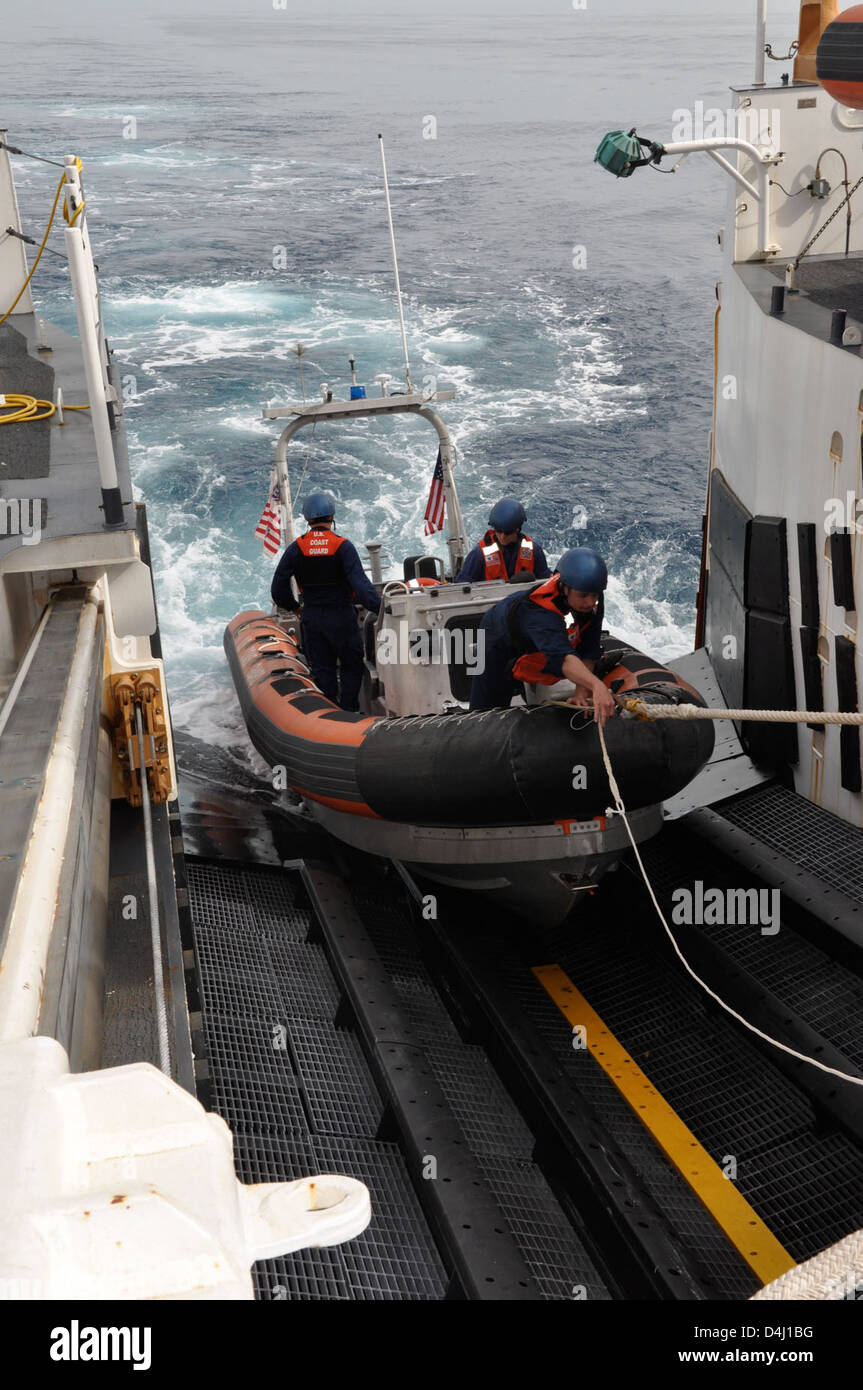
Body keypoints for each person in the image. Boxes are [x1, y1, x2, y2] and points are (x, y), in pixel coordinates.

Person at [467, 547, 616, 725]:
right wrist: (596, 685)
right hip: (497, 636)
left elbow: (588, 649)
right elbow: (564, 659)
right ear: (564, 588)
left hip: (539, 639)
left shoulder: (590, 594)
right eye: (583, 596)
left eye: (595, 595)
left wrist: (581, 693)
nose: (590, 602)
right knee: (486, 712)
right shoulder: (538, 613)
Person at [271, 490, 381, 712]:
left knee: (323, 670)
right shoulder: (342, 546)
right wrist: (382, 608)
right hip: (341, 617)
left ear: (307, 519)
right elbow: (361, 587)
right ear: (331, 516)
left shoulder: (297, 548)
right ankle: (349, 711)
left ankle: (329, 713)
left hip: (312, 618)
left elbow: (278, 588)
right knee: (351, 665)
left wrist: (296, 608)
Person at [456, 498, 551, 583]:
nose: (502, 537)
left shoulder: (535, 551)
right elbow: (463, 585)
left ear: (517, 529)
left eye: (508, 533)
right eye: (498, 531)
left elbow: (545, 581)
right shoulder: (478, 554)